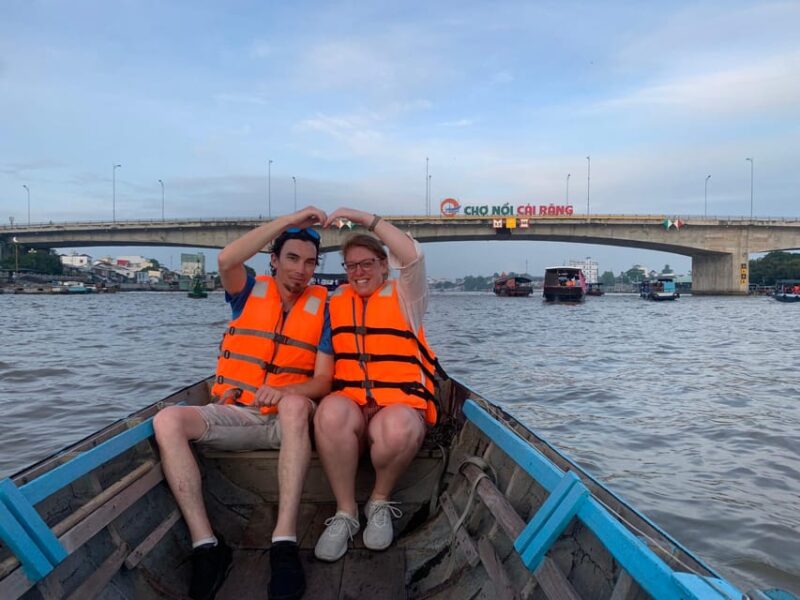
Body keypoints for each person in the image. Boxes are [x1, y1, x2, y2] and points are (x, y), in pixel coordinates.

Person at [153, 207, 333, 600]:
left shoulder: (324, 309)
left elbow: (323, 381)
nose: (301, 270)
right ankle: (207, 546)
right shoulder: (247, 291)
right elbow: (226, 259)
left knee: (295, 407)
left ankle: (284, 542)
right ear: (274, 260)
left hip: (290, 421)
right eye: (292, 258)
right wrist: (288, 222)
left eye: (309, 262)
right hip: (240, 414)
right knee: (167, 421)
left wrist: (287, 392)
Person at [313, 207, 442, 562]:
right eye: (351, 266)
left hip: (399, 408)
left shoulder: (406, 296)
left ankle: (379, 501)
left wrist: (362, 218)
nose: (359, 272)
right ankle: (346, 513)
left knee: (398, 428)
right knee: (329, 413)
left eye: (367, 263)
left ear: (384, 265)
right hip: (354, 409)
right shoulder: (336, 303)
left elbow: (413, 256)